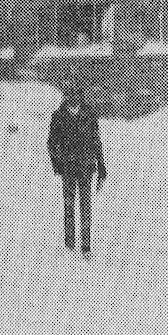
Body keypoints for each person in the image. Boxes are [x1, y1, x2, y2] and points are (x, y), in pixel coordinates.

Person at [48, 83, 106, 258]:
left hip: (86, 168)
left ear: (81, 96)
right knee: (69, 206)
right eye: (70, 95)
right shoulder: (58, 116)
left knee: (86, 207)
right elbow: (51, 142)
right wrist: (57, 164)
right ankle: (69, 244)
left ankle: (86, 246)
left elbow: (96, 141)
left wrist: (101, 167)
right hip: (68, 168)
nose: (74, 98)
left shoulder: (89, 115)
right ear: (65, 97)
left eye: (77, 94)